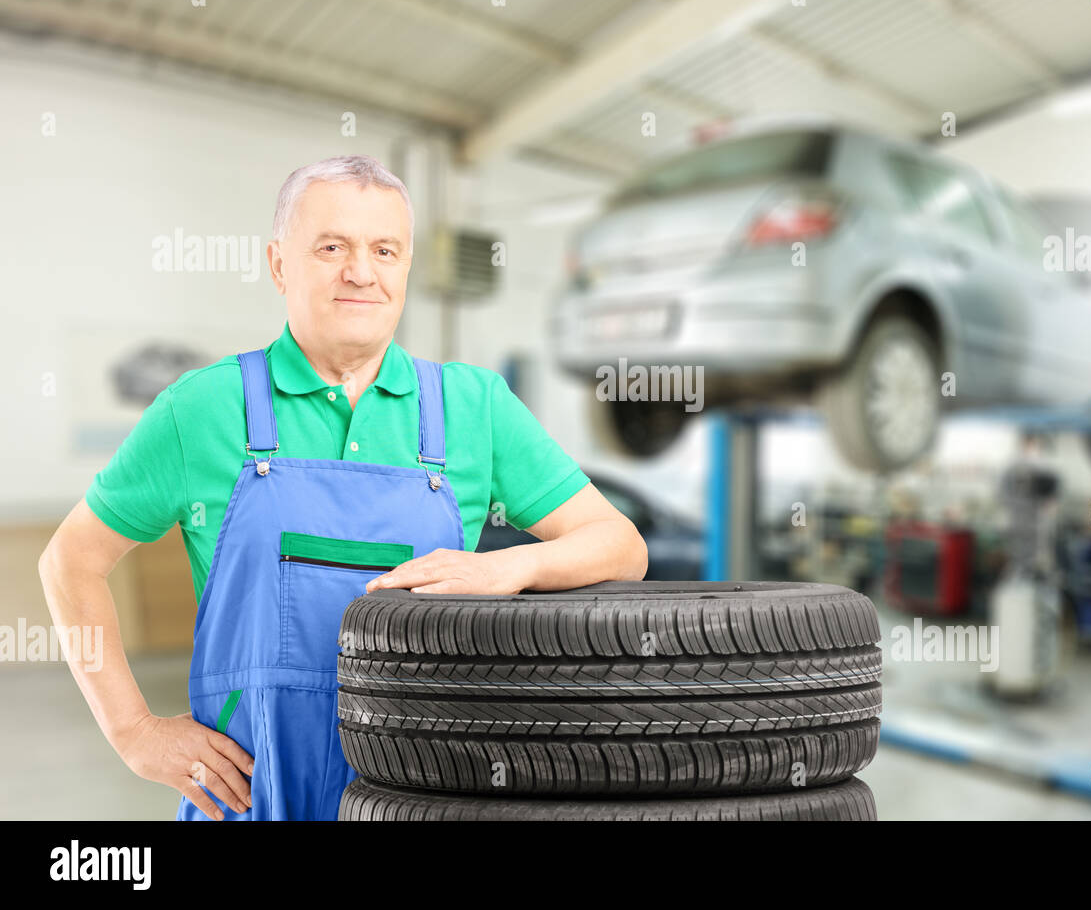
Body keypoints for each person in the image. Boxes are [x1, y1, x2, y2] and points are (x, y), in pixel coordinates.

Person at [38, 154, 648, 821]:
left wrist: (509, 568)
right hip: (253, 798)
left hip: (423, 794)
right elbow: (70, 561)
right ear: (279, 264)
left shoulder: (476, 407)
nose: (361, 271)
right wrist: (132, 732)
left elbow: (619, 544)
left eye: (385, 250)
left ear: (406, 269)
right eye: (332, 247)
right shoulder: (204, 407)